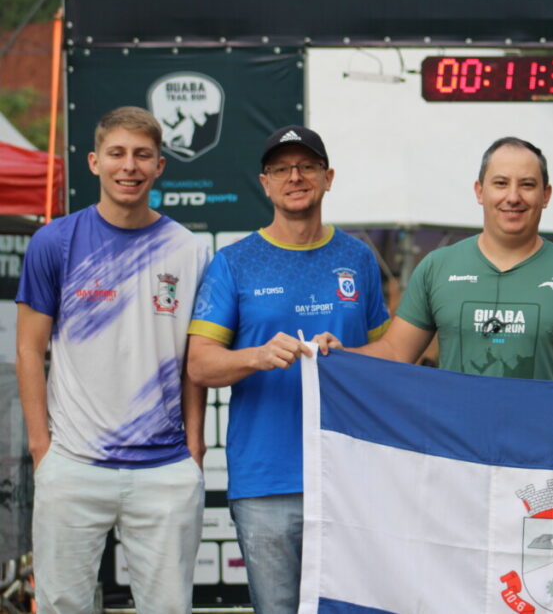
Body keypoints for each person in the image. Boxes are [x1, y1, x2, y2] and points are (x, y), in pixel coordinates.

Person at [186, 125, 390, 613]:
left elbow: (391, 361)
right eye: (281, 168)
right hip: (267, 478)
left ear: (328, 177)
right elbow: (199, 366)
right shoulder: (234, 262)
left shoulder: (358, 258)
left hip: (351, 476)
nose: (294, 177)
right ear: (265, 182)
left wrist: (347, 357)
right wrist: (255, 356)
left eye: (307, 166)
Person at [15, 106, 210, 612]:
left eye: (143, 155)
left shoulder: (189, 250)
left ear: (160, 165)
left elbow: (195, 356)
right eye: (118, 153)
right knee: (63, 606)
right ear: (94, 162)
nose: (130, 166)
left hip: (165, 469)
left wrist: (194, 444)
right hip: (74, 465)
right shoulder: (54, 243)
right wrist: (43, 449)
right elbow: (28, 348)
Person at [341, 137, 553, 386]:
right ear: (480, 191)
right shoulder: (437, 267)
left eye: (527, 185)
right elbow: (394, 352)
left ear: (546, 195)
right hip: (457, 448)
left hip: (540, 447)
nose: (513, 196)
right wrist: (336, 356)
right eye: (500, 183)